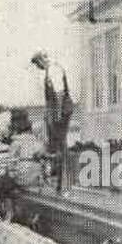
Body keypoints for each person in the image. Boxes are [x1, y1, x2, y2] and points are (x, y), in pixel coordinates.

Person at [31, 50, 73, 192]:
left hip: (60, 112)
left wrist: (57, 117)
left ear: (42, 60)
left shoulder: (54, 69)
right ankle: (59, 182)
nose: (39, 68)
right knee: (54, 146)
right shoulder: (49, 71)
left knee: (61, 146)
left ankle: (65, 184)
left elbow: (59, 95)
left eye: (38, 64)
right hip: (54, 112)